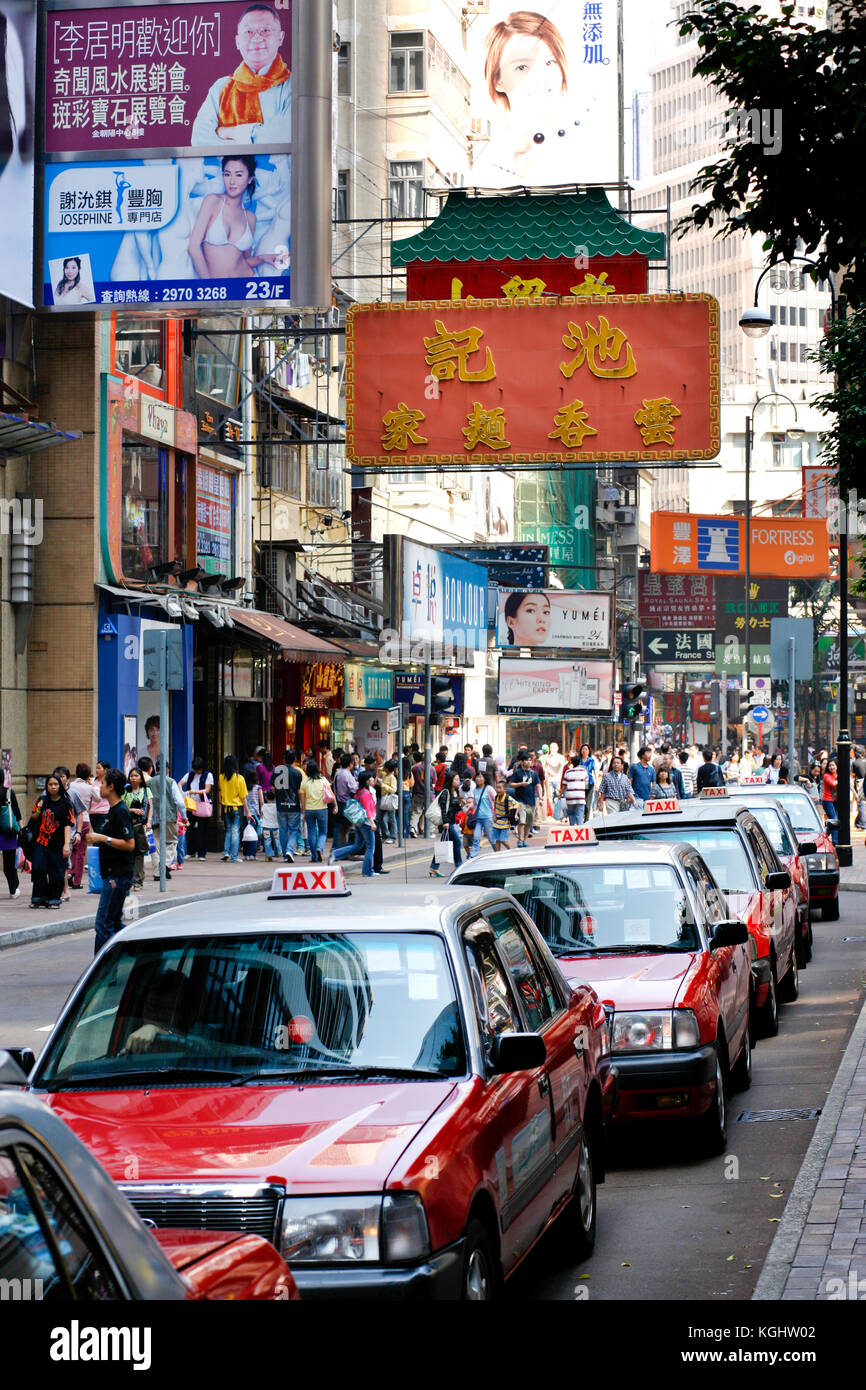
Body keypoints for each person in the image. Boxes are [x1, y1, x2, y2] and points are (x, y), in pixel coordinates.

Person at [478, 10, 576, 187]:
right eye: (522, 67)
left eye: (549, 62)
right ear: (497, 80)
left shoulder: (575, 151)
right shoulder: (492, 161)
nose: (540, 77)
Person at [190, 2, 291, 147]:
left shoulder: (291, 86)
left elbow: (283, 137)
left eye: (265, 30)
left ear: (280, 37)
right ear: (237, 41)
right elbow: (199, 140)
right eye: (249, 32)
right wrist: (253, 136)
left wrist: (230, 132)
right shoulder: (221, 88)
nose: (257, 38)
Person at [188, 154, 282, 280]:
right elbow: (193, 247)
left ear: (249, 179)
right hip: (216, 290)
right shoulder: (213, 201)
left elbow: (246, 259)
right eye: (227, 174)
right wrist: (208, 286)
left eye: (238, 175)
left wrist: (262, 258)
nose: (232, 181)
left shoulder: (250, 217)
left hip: (247, 283)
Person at [87, 768, 135, 954]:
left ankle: (100, 971)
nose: (99, 786)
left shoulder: (121, 811)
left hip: (118, 876)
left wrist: (102, 839)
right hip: (112, 874)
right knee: (113, 923)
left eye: (103, 783)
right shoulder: (112, 810)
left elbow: (129, 844)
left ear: (111, 787)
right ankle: (141, 951)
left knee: (103, 924)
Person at [28, 774, 74, 909]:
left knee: (57, 871)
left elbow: (67, 825)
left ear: (60, 786)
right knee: (38, 868)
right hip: (41, 842)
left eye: (55, 784)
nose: (53, 787)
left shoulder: (66, 804)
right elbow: (34, 817)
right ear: (46, 786)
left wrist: (66, 844)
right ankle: (38, 898)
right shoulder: (42, 799)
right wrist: (39, 808)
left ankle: (54, 899)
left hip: (57, 844)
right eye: (50, 784)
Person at [330, 772, 376, 878]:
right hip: (366, 823)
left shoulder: (359, 791)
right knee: (370, 847)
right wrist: (372, 823)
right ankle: (367, 871)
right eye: (371, 778)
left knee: (357, 845)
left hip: (359, 823)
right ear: (366, 781)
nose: (373, 779)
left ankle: (335, 853)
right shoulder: (366, 793)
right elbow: (367, 810)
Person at [147, 761, 188, 879]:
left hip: (153, 818)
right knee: (171, 842)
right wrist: (184, 817)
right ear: (167, 769)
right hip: (169, 817)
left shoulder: (149, 783)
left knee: (155, 845)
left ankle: (157, 873)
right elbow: (179, 801)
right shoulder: (171, 782)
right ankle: (165, 865)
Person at [67, 763, 97, 888]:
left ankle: (69, 872)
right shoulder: (89, 787)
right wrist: (92, 786)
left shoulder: (70, 786)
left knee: (70, 849)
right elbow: (99, 798)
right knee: (80, 852)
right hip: (84, 820)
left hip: (70, 819)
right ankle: (76, 881)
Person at [123, 765, 152, 892]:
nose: (133, 778)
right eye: (131, 776)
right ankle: (128, 879)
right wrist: (132, 810)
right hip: (128, 825)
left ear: (141, 778)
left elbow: (151, 807)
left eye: (136, 776)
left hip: (140, 826)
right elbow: (121, 807)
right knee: (128, 852)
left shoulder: (146, 790)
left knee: (139, 853)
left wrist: (149, 821)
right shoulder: (125, 791)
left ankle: (138, 880)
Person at [179, 757, 214, 860]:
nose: (197, 771)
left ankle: (202, 854)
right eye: (195, 769)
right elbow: (180, 783)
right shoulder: (189, 774)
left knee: (202, 830)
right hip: (191, 805)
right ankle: (190, 851)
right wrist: (182, 792)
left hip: (202, 805)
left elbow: (207, 790)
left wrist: (194, 792)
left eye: (198, 769)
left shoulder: (208, 775)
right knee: (189, 829)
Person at [429, 773, 464, 876]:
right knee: (457, 842)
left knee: (443, 842)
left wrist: (461, 805)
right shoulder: (445, 792)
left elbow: (454, 807)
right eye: (456, 779)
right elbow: (443, 809)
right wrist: (445, 822)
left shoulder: (456, 792)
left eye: (458, 779)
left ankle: (433, 867)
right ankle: (459, 866)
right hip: (447, 823)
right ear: (450, 780)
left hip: (451, 822)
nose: (458, 782)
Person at [273, 748, 303, 861]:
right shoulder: (297, 773)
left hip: (280, 805)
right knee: (294, 830)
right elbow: (300, 790)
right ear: (295, 759)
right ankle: (290, 850)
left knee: (283, 830)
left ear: (284, 759)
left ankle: (286, 854)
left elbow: (273, 788)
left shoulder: (277, 770)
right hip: (293, 805)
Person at [218, 754, 248, 864]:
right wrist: (248, 812)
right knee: (235, 831)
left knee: (229, 831)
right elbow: (243, 797)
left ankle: (226, 852)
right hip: (236, 809)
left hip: (226, 809)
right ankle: (234, 856)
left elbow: (220, 793)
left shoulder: (221, 777)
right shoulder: (240, 778)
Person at [299, 759, 329, 865]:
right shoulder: (323, 780)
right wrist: (335, 806)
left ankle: (314, 857)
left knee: (311, 832)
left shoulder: (304, 782)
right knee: (323, 832)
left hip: (309, 810)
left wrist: (303, 812)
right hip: (322, 809)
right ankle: (319, 849)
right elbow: (330, 794)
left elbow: (302, 800)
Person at [507, 752, 538, 846]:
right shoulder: (518, 772)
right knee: (522, 821)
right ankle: (520, 839)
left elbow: (538, 785)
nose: (529, 762)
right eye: (526, 760)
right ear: (522, 762)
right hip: (520, 800)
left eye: (530, 760)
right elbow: (510, 784)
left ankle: (525, 839)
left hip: (531, 800)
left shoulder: (533, 773)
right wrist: (521, 784)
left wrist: (541, 797)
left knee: (529, 822)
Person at [332, 751, 359, 849]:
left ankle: (336, 847)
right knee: (349, 828)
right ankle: (346, 848)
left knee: (338, 827)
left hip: (338, 802)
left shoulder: (337, 773)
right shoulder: (347, 775)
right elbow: (354, 789)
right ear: (350, 764)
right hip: (347, 803)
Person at [0, 780, 22, 897]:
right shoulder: (9, 792)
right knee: (9, 864)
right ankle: (13, 890)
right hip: (8, 832)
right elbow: (17, 813)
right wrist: (21, 829)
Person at [469, 770, 497, 857]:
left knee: (491, 839)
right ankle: (473, 856)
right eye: (477, 776)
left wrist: (496, 814)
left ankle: (498, 853)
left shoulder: (489, 789)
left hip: (488, 818)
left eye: (480, 777)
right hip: (478, 818)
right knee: (476, 838)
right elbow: (475, 804)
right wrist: (468, 809)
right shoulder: (475, 790)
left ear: (485, 779)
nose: (478, 779)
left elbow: (497, 801)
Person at [492, 774, 519, 850]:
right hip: (497, 822)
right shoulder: (496, 797)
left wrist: (516, 815)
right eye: (497, 788)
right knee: (497, 840)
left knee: (503, 840)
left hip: (505, 822)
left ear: (505, 790)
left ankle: (510, 850)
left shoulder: (508, 798)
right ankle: (497, 854)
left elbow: (517, 804)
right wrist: (494, 816)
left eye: (500, 788)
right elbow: (495, 807)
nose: (498, 790)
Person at [560, 754, 589, 825]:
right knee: (579, 814)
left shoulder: (568, 772)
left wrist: (560, 794)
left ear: (572, 763)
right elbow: (586, 785)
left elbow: (564, 785)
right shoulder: (584, 771)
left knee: (571, 813)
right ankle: (580, 829)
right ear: (579, 762)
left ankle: (572, 827)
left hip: (570, 796)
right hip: (580, 796)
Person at [88, 759, 111, 833]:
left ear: (106, 770)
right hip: (93, 812)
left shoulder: (109, 782)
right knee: (96, 833)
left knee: (99, 834)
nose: (96, 770)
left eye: (99, 768)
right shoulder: (92, 781)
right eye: (96, 768)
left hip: (104, 812)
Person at [379, 759, 399, 843]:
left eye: (385, 767)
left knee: (392, 819)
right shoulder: (385, 774)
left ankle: (393, 837)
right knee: (380, 818)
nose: (384, 768)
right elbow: (379, 769)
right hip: (383, 799)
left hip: (389, 799)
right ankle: (385, 835)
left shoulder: (392, 778)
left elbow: (393, 790)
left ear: (388, 768)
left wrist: (383, 785)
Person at [244, 766, 264, 842]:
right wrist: (262, 812)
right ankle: (256, 844)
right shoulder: (258, 788)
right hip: (256, 812)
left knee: (249, 828)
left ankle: (250, 844)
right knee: (257, 828)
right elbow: (261, 801)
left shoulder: (245, 788)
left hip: (247, 812)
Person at [577, 743, 597, 816]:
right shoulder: (578, 760)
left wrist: (597, 783)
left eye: (586, 749)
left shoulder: (591, 760)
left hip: (590, 782)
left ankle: (587, 818)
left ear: (589, 751)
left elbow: (595, 771)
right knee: (581, 801)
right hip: (580, 782)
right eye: (583, 749)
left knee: (588, 801)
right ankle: (581, 815)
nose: (584, 750)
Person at [822, 758, 839, 845]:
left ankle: (822, 835)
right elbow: (833, 783)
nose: (831, 767)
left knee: (832, 822)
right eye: (830, 766)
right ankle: (835, 842)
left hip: (836, 801)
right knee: (834, 820)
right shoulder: (826, 776)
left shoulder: (838, 775)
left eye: (833, 765)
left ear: (837, 766)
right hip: (827, 801)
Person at [261, 788, 280, 861]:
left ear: (266, 797)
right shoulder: (277, 806)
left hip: (266, 826)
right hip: (275, 826)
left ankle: (268, 856)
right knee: (277, 839)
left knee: (267, 840)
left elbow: (262, 814)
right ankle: (278, 853)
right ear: (275, 797)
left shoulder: (264, 806)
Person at [401, 756, 414, 839]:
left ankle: (398, 831)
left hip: (399, 793)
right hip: (406, 793)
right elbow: (411, 784)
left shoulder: (398, 770)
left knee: (398, 814)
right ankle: (405, 833)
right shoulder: (409, 773)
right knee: (406, 814)